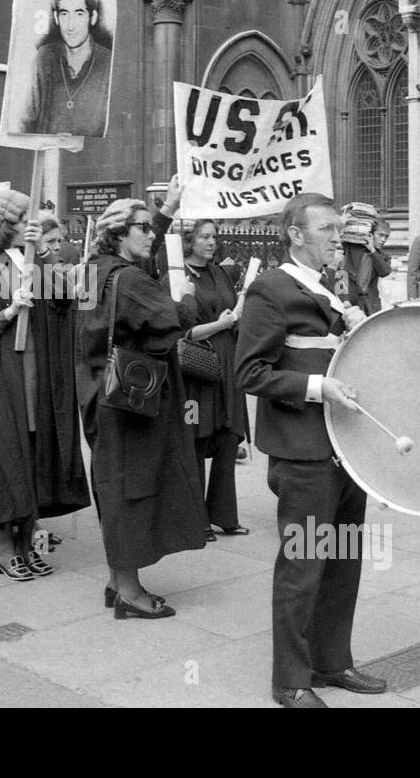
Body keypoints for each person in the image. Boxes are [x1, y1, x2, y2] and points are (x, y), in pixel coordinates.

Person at [235, 193, 385, 708]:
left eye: (339, 229)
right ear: (295, 234)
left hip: (345, 448)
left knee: (342, 561)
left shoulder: (329, 288)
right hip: (304, 453)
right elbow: (249, 373)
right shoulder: (270, 290)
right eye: (326, 229)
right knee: (302, 567)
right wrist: (319, 387)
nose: (336, 237)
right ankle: (290, 680)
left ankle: (332, 661)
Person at [78, 198, 207, 619]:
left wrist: (165, 209)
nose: (152, 235)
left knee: (114, 488)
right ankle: (131, 592)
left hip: (102, 394)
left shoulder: (94, 269)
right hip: (134, 400)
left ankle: (117, 582)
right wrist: (186, 299)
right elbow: (171, 320)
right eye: (145, 229)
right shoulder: (130, 280)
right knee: (134, 490)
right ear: (119, 233)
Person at [0, 195, 90, 581]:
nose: (29, 225)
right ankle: (4, 546)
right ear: (7, 225)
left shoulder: (37, 265)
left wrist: (47, 257)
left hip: (40, 380)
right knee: (7, 459)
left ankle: (28, 539)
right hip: (5, 379)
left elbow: (72, 298)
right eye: (23, 220)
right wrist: (6, 313)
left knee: (35, 457)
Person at [167, 218, 250, 541]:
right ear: (189, 241)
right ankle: (196, 518)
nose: (211, 242)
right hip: (196, 366)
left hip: (227, 361)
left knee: (229, 435)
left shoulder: (220, 273)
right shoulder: (177, 277)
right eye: (204, 236)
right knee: (197, 439)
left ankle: (224, 515)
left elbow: (233, 315)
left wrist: (237, 317)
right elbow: (180, 330)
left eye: (214, 236)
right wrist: (220, 324)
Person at [19, 0, 112, 137]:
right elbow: (25, 121)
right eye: (64, 14)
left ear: (92, 17)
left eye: (79, 14)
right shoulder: (45, 56)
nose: (70, 25)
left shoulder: (108, 62)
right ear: (56, 18)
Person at [342, 216, 392, 315]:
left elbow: (385, 272)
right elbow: (341, 273)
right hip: (351, 303)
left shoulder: (382, 256)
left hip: (371, 304)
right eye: (380, 235)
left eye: (386, 237)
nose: (383, 240)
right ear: (371, 234)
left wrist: (372, 251)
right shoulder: (352, 251)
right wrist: (344, 299)